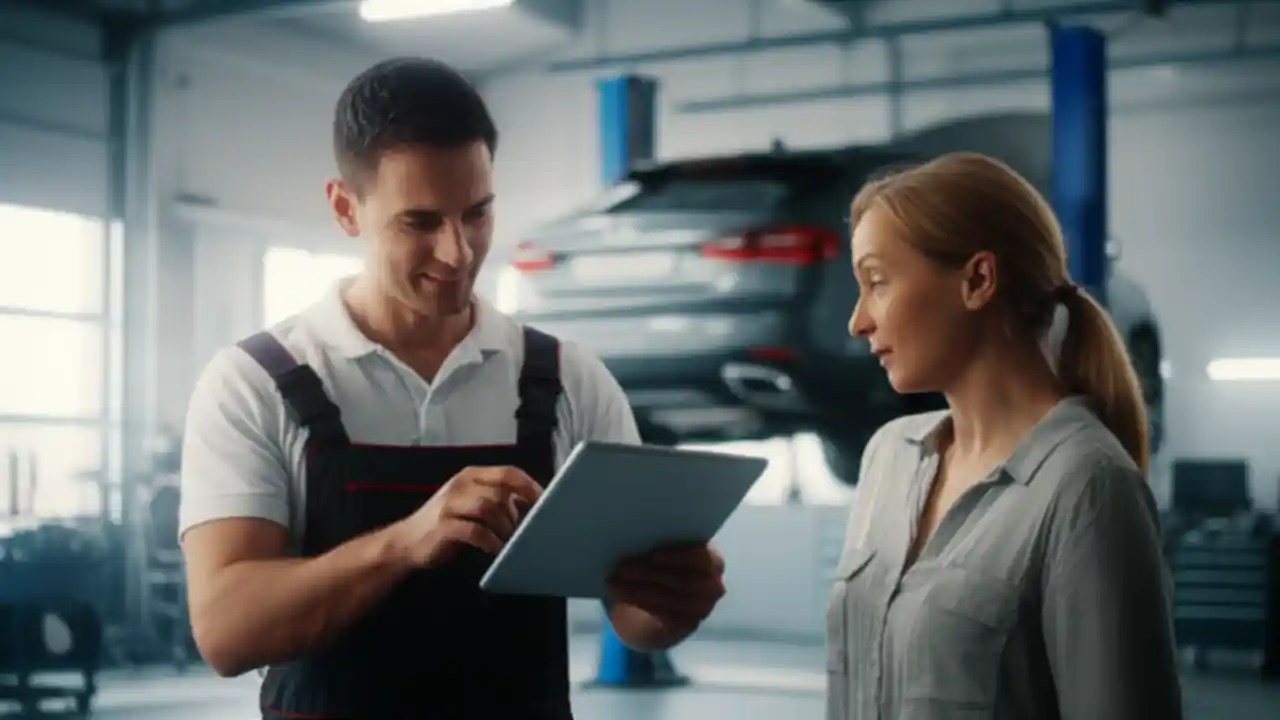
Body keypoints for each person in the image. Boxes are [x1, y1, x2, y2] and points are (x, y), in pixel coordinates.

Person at [177, 57, 726, 720]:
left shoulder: (569, 380)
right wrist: (405, 543)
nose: (459, 252)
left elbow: (636, 623)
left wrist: (675, 601)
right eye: (420, 223)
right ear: (346, 209)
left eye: (478, 213)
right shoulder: (253, 384)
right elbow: (227, 633)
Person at [826, 152, 1182, 720]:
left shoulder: (1087, 487)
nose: (858, 320)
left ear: (978, 280)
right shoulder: (888, 458)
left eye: (877, 282)